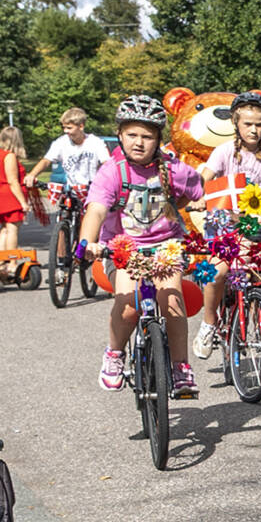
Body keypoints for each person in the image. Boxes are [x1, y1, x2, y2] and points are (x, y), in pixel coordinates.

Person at [79, 95, 205, 398]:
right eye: (132, 135)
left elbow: (197, 193)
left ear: (158, 139)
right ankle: (114, 354)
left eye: (147, 136)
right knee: (127, 306)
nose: (139, 142)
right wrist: (88, 242)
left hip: (166, 246)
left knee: (172, 302)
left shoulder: (174, 170)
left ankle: (180, 367)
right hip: (123, 249)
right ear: (120, 135)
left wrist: (193, 215)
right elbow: (96, 209)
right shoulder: (112, 171)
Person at [194, 92, 261, 375]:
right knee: (218, 269)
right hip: (223, 222)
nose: (254, 130)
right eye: (248, 124)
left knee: (256, 272)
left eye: (260, 125)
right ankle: (209, 322)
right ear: (236, 122)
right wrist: (199, 198)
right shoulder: (224, 151)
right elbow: (205, 180)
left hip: (254, 225)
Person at [43, 107, 112, 205]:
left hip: (91, 190)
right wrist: (32, 175)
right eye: (64, 127)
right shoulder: (61, 142)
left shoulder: (95, 142)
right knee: (65, 210)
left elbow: (107, 164)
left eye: (69, 128)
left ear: (81, 126)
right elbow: (46, 160)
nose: (65, 131)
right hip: (72, 190)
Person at [0, 124, 31, 251]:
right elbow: (12, 181)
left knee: (4, 229)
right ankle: (12, 261)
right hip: (10, 197)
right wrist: (23, 203)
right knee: (12, 230)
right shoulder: (8, 155)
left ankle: (1, 262)